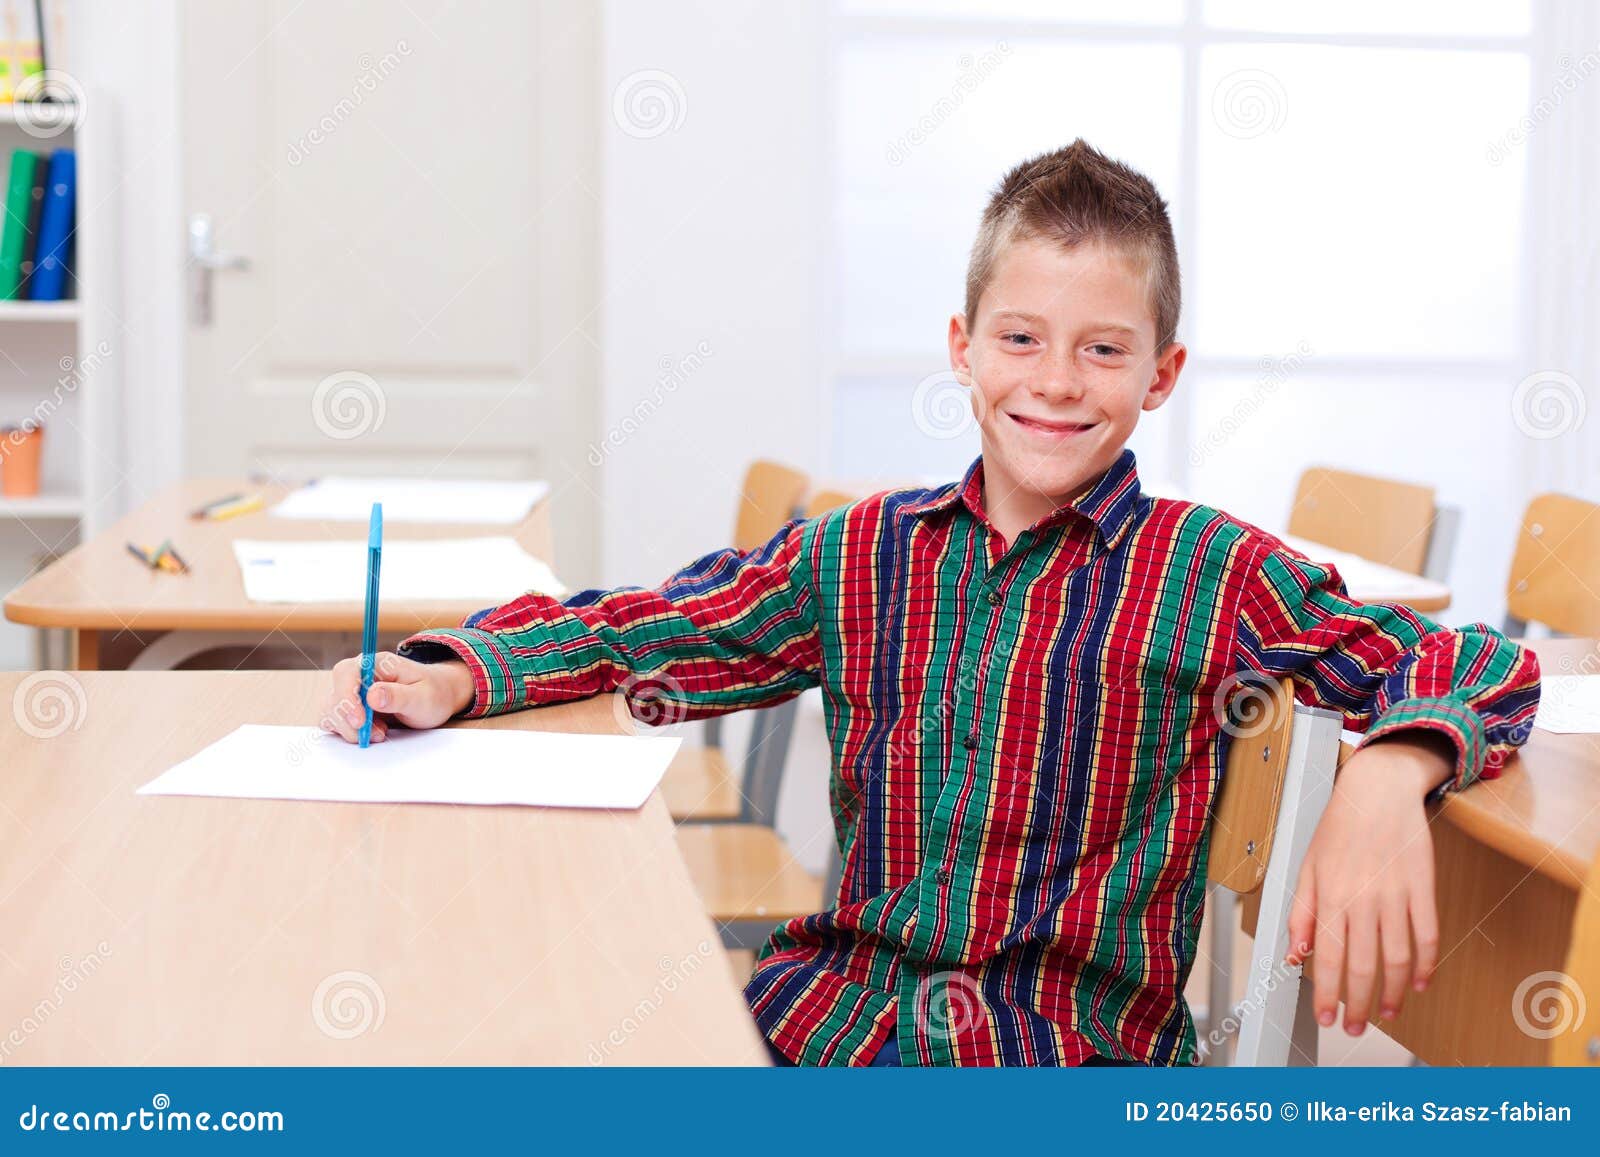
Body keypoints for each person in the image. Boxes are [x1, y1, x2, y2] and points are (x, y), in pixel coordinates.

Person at [317, 140, 1540, 1067]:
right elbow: (658, 625)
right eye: (1021, 338)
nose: (1055, 382)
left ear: (1161, 374)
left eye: (1103, 349)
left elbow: (1477, 661)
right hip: (831, 1024)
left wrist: (1391, 769)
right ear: (962, 345)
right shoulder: (863, 552)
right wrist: (463, 667)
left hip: (1059, 1059)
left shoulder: (1207, 572)